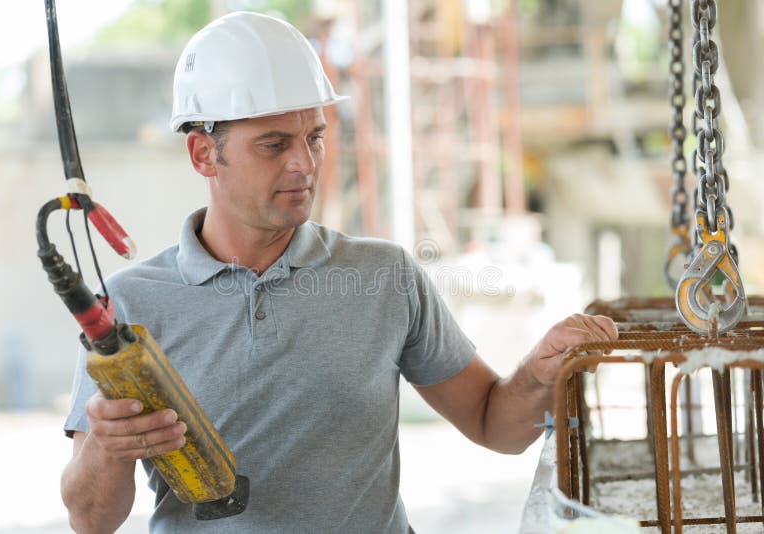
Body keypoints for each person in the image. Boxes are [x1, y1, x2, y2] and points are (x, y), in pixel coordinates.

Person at [60, 11, 617, 534]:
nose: (303, 163)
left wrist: (537, 374)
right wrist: (108, 446)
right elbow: (90, 519)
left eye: (315, 137)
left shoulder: (384, 275)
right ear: (204, 154)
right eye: (274, 145)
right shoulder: (130, 305)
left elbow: (493, 423)